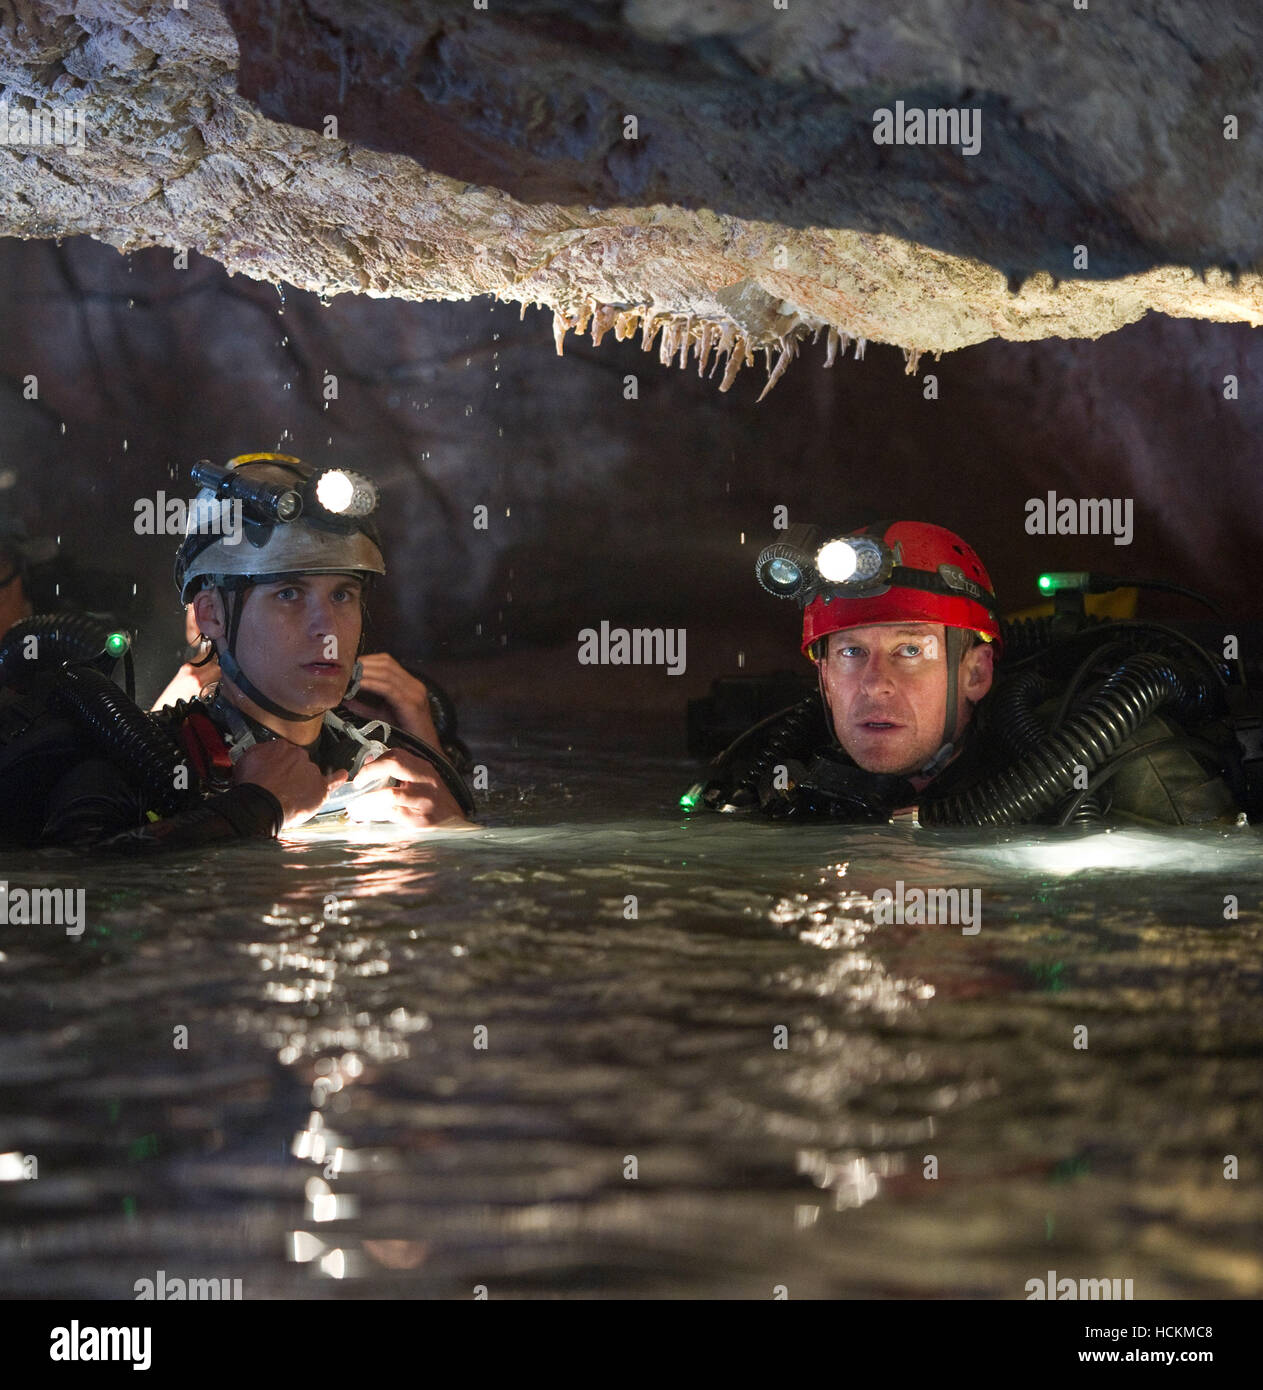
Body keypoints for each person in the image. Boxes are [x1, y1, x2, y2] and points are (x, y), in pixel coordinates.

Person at [0, 453, 475, 850]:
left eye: (342, 595)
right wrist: (256, 807)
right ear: (211, 615)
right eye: (288, 594)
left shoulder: (392, 764)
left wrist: (458, 839)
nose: (325, 627)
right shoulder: (132, 766)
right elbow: (73, 888)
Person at [692, 520, 1244, 826]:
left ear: (976, 673)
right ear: (822, 678)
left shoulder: (1115, 759)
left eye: (910, 650)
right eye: (851, 653)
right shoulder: (776, 773)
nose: (875, 683)